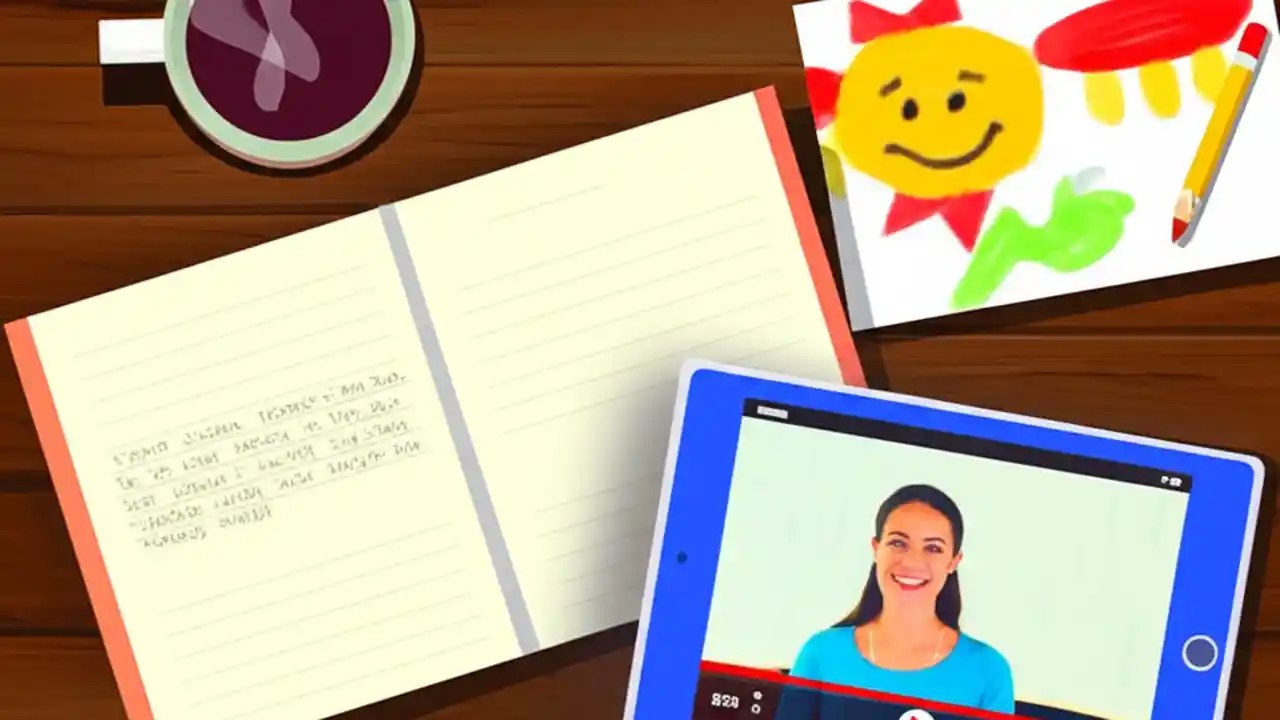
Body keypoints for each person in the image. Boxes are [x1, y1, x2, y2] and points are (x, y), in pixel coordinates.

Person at [775, 484, 1014, 718]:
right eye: (898, 543)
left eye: (933, 548)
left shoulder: (988, 671)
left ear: (953, 562)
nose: (912, 562)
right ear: (876, 549)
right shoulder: (821, 654)